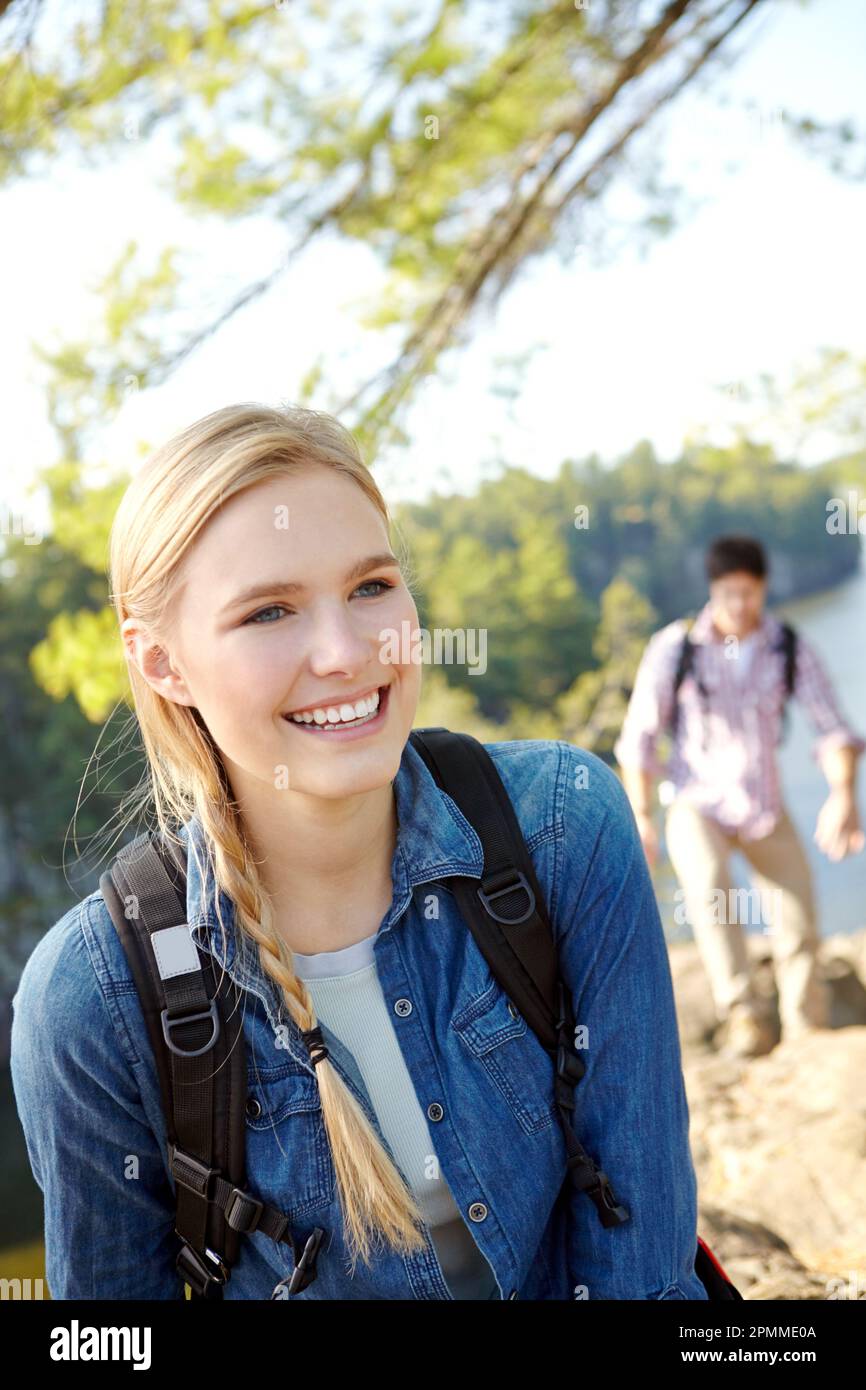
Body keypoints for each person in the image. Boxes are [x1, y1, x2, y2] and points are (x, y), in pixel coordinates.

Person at [11, 402, 709, 1299]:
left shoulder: (565, 828)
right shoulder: (91, 998)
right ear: (162, 664)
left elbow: (643, 1265)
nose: (345, 652)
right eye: (269, 612)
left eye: (373, 587)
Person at [615, 534, 864, 1059]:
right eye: (728, 592)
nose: (739, 604)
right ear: (713, 589)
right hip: (695, 801)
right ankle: (743, 1015)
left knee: (796, 914)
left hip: (763, 806)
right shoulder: (676, 646)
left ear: (763, 587)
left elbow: (835, 729)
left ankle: (805, 1030)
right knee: (708, 887)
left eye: (748, 592)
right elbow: (640, 736)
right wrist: (640, 814)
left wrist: (843, 794)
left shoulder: (788, 647)